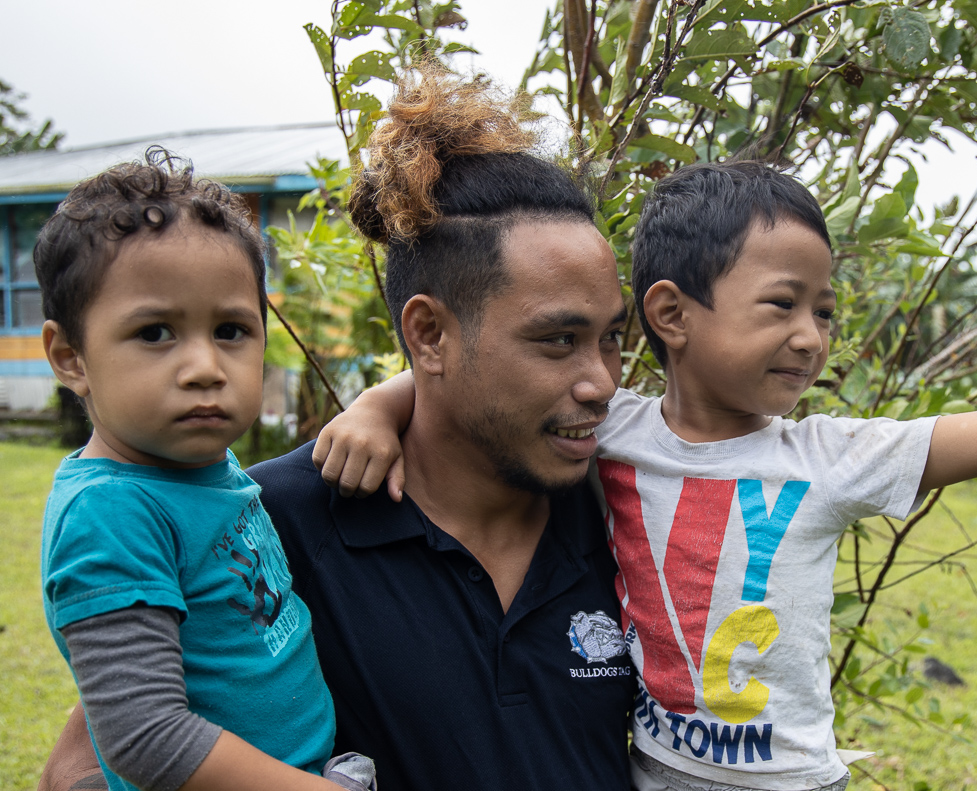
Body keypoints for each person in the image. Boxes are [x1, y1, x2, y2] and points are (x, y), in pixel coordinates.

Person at [318, 159, 977, 790]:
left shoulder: (824, 458)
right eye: (782, 305)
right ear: (671, 314)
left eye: (823, 310)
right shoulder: (610, 426)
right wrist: (375, 407)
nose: (812, 335)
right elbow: (472, 373)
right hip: (649, 770)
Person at [39, 68, 638, 791]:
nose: (602, 381)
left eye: (611, 337)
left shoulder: (629, 498)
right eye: (557, 340)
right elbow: (103, 750)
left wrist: (383, 399)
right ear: (428, 335)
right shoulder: (281, 516)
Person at [34, 150, 374, 791]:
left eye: (230, 330)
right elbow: (147, 738)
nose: (204, 367)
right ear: (70, 356)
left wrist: (381, 404)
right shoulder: (112, 515)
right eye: (156, 332)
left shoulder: (200, 463)